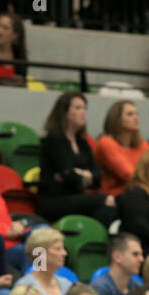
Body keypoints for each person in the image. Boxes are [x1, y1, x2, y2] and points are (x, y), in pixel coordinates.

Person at [37, 92, 116, 229]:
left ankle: (95, 242)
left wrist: (80, 175)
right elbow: (68, 174)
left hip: (77, 197)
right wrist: (81, 175)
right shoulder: (55, 138)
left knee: (109, 208)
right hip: (55, 200)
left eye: (84, 108)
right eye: (78, 108)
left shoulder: (83, 142)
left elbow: (98, 177)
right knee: (105, 200)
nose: (83, 113)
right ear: (64, 112)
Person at [94, 100, 147, 198]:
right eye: (130, 114)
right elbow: (128, 175)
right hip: (112, 196)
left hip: (140, 192)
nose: (136, 117)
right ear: (117, 119)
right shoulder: (106, 142)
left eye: (137, 114)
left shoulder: (143, 144)